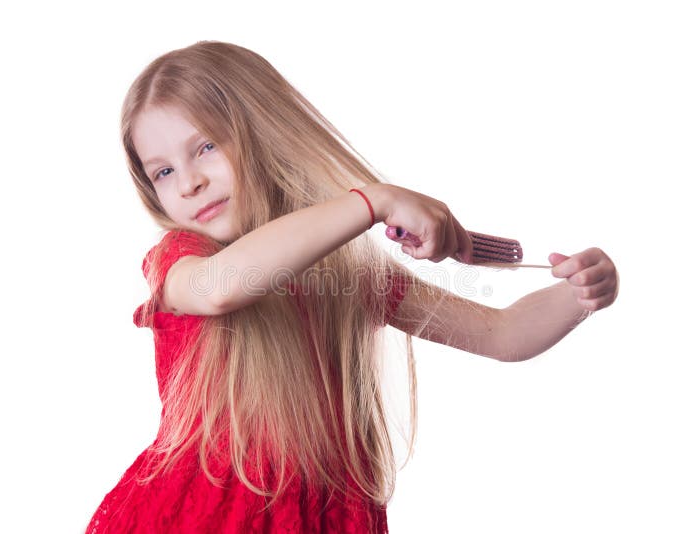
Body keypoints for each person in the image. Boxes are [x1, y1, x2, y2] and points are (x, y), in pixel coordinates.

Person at [86, 41, 619, 533]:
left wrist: (580, 295)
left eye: (204, 147)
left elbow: (503, 334)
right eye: (161, 172)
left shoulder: (346, 275)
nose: (187, 182)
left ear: (260, 130)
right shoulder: (183, 262)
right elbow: (224, 286)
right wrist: (374, 202)